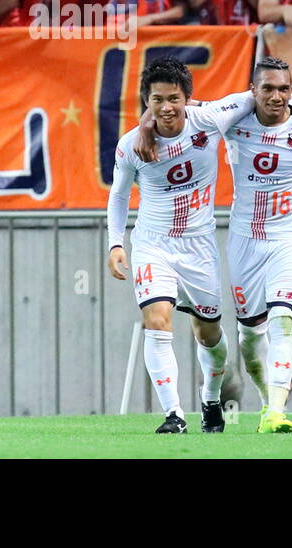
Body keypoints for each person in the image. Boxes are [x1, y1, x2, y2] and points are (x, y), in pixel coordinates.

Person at [140, 56, 292, 433]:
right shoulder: (234, 122)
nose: (277, 96)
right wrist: (143, 127)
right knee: (251, 339)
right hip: (245, 242)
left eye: (284, 89)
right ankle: (268, 402)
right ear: (252, 93)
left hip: (290, 238)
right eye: (267, 89)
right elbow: (174, 106)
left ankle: (276, 411)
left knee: (284, 320)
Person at [105, 60, 240, 433]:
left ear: (188, 99)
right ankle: (174, 415)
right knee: (157, 321)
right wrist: (116, 244)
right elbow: (118, 196)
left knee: (208, 333)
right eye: (157, 100)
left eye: (174, 99)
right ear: (146, 102)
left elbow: (253, 98)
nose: (166, 107)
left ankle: (210, 399)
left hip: (198, 247)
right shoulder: (131, 145)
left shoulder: (208, 121)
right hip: (153, 245)